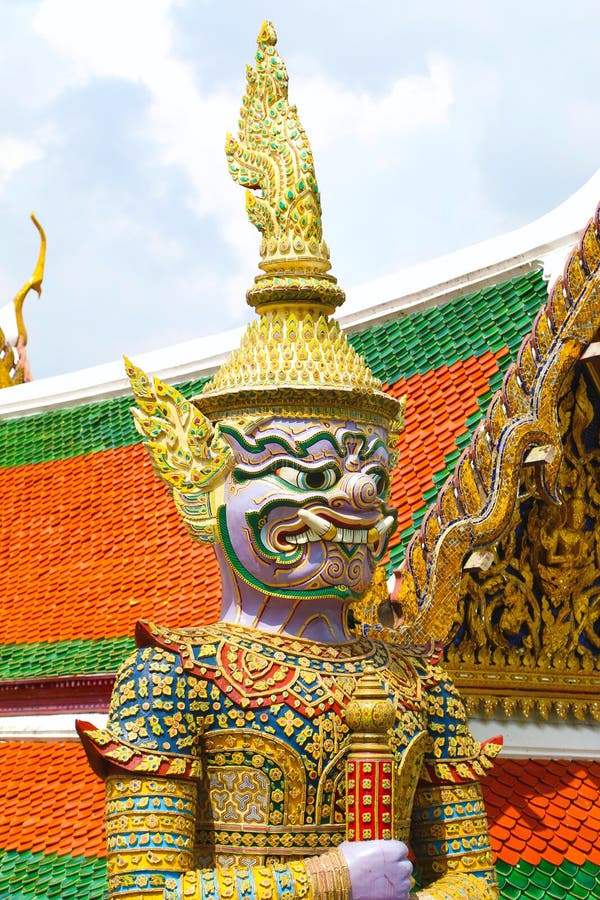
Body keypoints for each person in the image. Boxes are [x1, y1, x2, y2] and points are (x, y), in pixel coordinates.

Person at [78, 23, 499, 900]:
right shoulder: (175, 678)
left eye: (371, 472)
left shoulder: (420, 681)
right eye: (306, 472)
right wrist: (328, 881)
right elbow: (144, 892)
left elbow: (473, 878)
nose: (356, 496)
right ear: (206, 483)